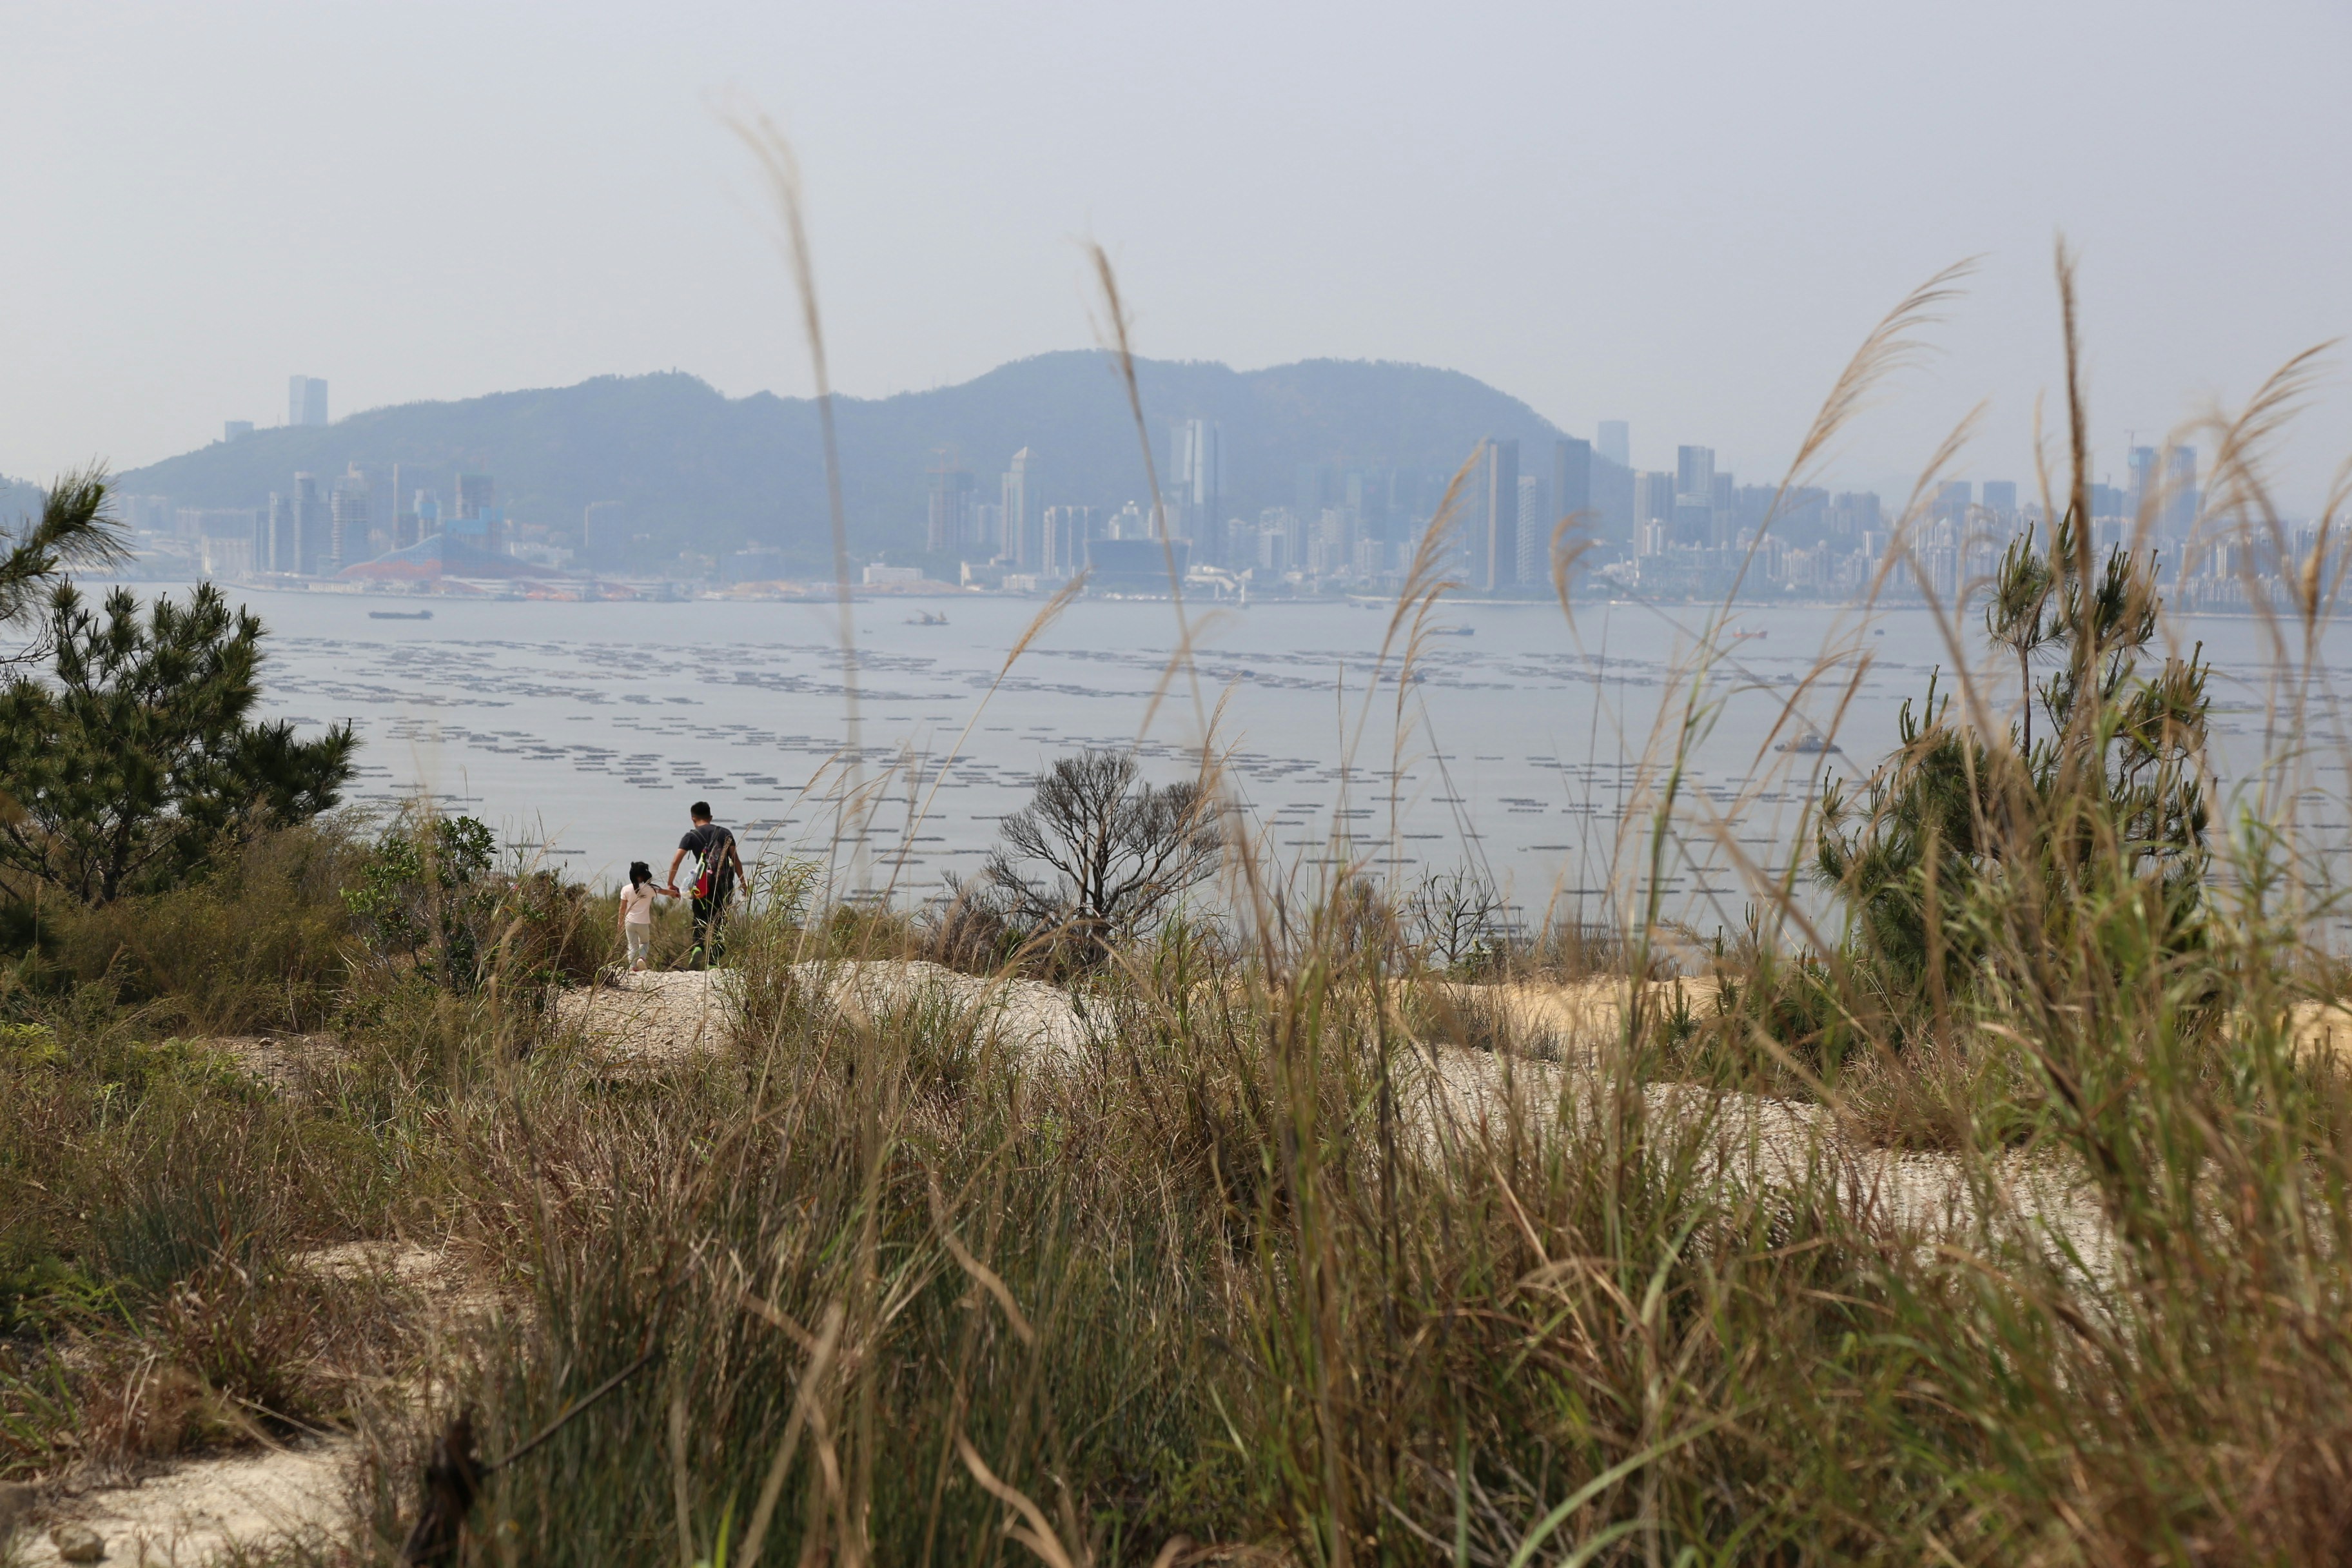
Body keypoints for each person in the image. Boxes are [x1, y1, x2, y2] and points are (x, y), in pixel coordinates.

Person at [665, 801, 744, 967]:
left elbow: (675, 862)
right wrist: (743, 882)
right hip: (724, 885)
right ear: (711, 817)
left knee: (700, 918)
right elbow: (735, 859)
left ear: (693, 818)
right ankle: (713, 962)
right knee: (720, 921)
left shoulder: (691, 836)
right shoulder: (725, 833)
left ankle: (698, 947)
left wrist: (671, 884)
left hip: (702, 885)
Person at [616, 860, 669, 972]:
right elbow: (664, 892)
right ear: (645, 874)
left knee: (632, 945)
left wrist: (620, 922)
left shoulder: (626, 889)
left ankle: (633, 967)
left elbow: (622, 908)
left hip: (629, 922)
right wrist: (675, 893)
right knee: (644, 942)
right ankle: (642, 958)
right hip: (644, 922)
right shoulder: (650, 889)